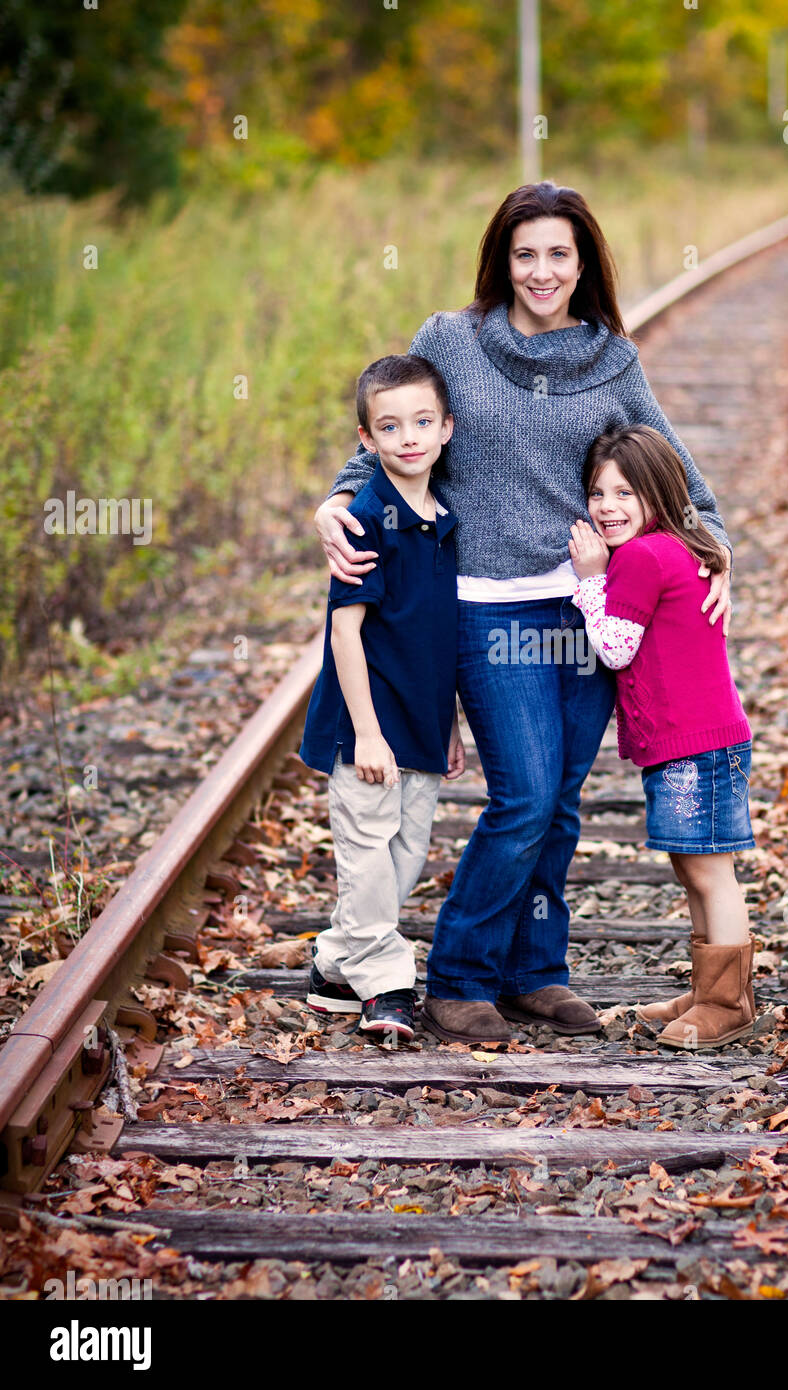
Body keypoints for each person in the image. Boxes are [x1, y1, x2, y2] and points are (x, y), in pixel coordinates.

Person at [313, 181, 735, 1046]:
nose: (542, 271)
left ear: (584, 264)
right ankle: (461, 974)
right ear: (501, 261)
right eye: (525, 254)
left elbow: (682, 480)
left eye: (559, 254)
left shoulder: (611, 359)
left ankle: (534, 970)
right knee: (525, 795)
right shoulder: (452, 340)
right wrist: (336, 500)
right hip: (490, 610)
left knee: (564, 801)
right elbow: (400, 429)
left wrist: (715, 549)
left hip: (585, 607)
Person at [568, 424, 757, 1050]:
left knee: (709, 874)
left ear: (658, 494)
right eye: (598, 493)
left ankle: (728, 1002)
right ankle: (710, 990)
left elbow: (616, 649)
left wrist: (591, 578)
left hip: (693, 746)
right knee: (696, 868)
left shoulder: (643, 558)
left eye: (625, 492)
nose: (607, 507)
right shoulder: (674, 546)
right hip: (697, 741)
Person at [299, 354, 465, 1042]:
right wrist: (367, 732)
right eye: (390, 426)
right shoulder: (364, 520)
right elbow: (344, 632)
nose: (408, 437)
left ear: (447, 428)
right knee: (368, 848)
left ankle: (335, 964)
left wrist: (449, 723)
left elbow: (439, 635)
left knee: (406, 851)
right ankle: (387, 986)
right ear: (365, 441)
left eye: (422, 422)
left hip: (423, 723)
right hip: (365, 721)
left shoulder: (446, 517)